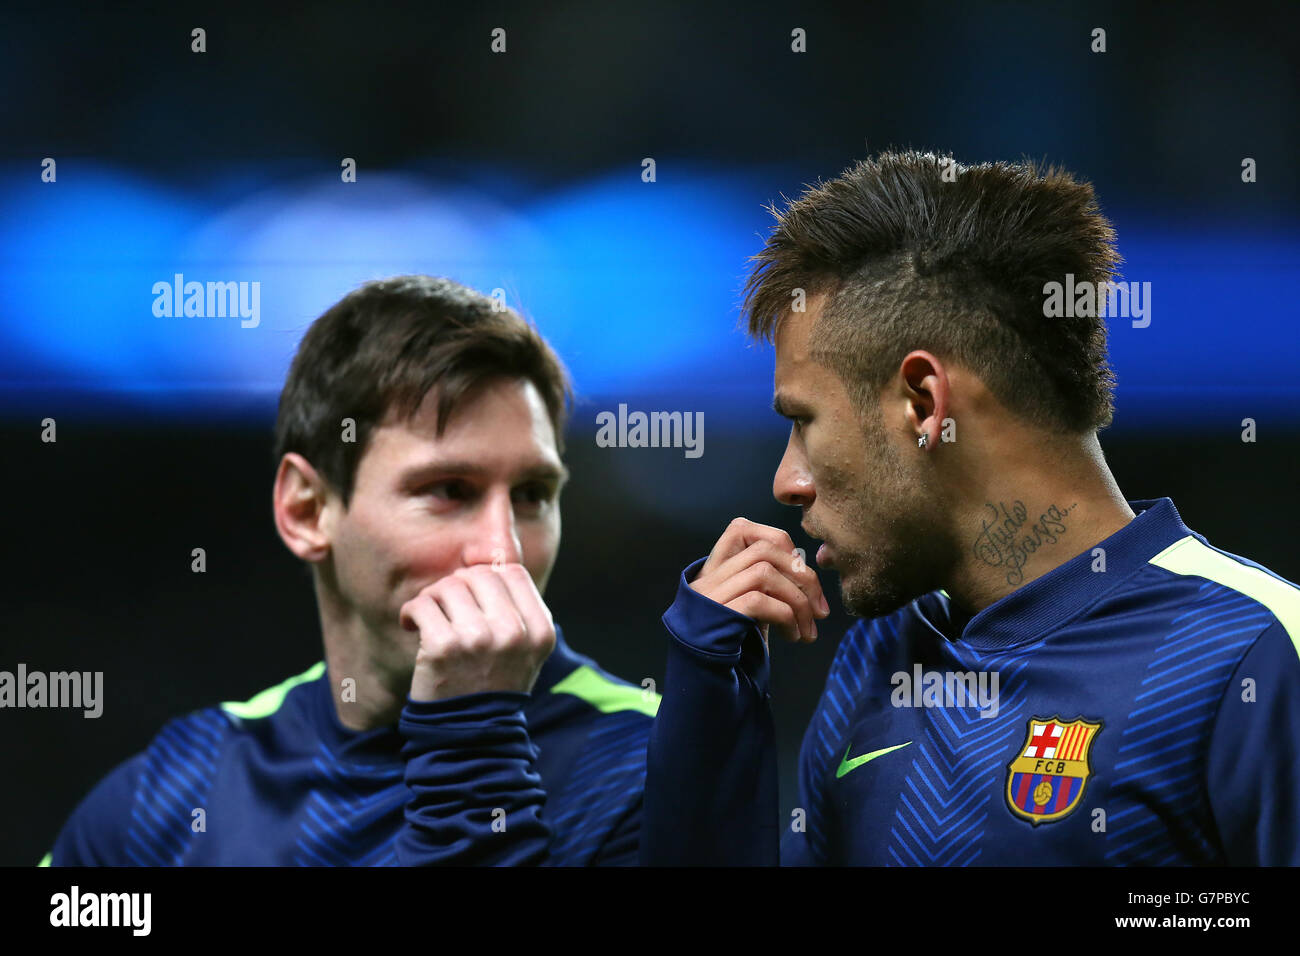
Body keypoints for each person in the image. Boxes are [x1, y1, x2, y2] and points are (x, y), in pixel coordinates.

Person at [642, 150, 1300, 865]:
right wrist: (708, 721)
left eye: (803, 420)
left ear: (923, 403)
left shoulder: (1253, 651)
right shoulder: (877, 657)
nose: (788, 482)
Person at [41, 275, 657, 866]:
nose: (502, 553)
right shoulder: (173, 794)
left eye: (532, 495)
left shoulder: (656, 762)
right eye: (449, 489)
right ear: (307, 510)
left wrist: (474, 740)